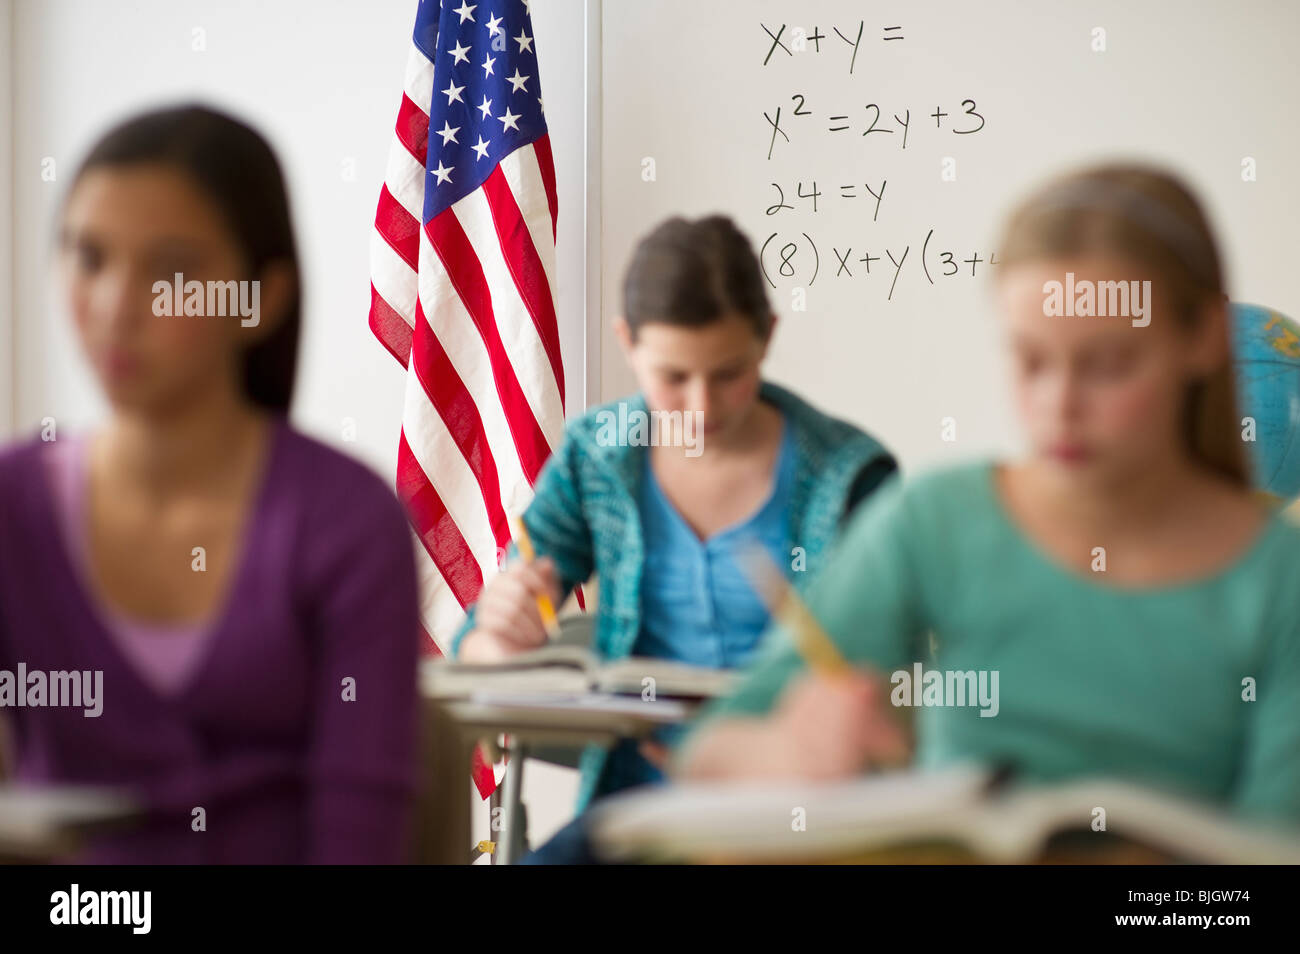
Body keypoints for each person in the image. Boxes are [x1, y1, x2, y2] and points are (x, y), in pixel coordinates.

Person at [675, 164, 1300, 831]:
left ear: (1202, 338)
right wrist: (789, 753)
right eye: (1030, 360)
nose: (1059, 406)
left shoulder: (1278, 580)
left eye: (1109, 365)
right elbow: (708, 750)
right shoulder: (935, 522)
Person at [0, 105, 422, 863]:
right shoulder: (11, 506)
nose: (116, 307)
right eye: (89, 257)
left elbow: (358, 831)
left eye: (171, 271)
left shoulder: (348, 521)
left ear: (261, 298)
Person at [454, 215, 897, 861]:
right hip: (636, 813)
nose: (701, 407)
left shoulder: (850, 476)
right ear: (626, 342)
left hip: (800, 818)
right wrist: (498, 640)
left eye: (728, 373)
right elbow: (477, 646)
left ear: (767, 337)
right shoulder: (598, 456)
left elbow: (892, 686)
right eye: (672, 377)